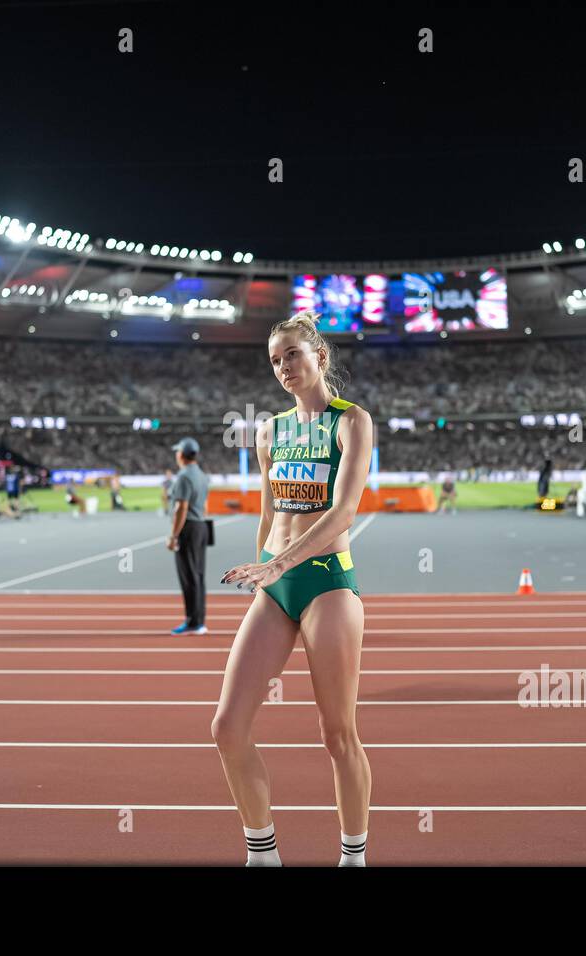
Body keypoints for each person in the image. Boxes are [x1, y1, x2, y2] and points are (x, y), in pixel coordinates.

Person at [217, 310, 373, 867]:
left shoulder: (351, 421)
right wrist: (264, 566)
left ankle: (353, 858)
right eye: (275, 360)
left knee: (337, 735)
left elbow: (343, 511)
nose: (284, 367)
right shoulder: (270, 430)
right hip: (274, 585)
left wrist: (280, 563)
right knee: (227, 728)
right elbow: (269, 513)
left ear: (320, 357)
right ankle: (263, 854)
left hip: (327, 583)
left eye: (293, 354)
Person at [167, 438, 210, 636]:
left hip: (189, 527)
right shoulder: (202, 475)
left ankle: (193, 622)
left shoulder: (184, 477)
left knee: (189, 576)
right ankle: (199, 620)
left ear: (182, 454)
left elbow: (181, 507)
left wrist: (173, 535)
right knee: (198, 575)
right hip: (201, 525)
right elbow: (205, 504)